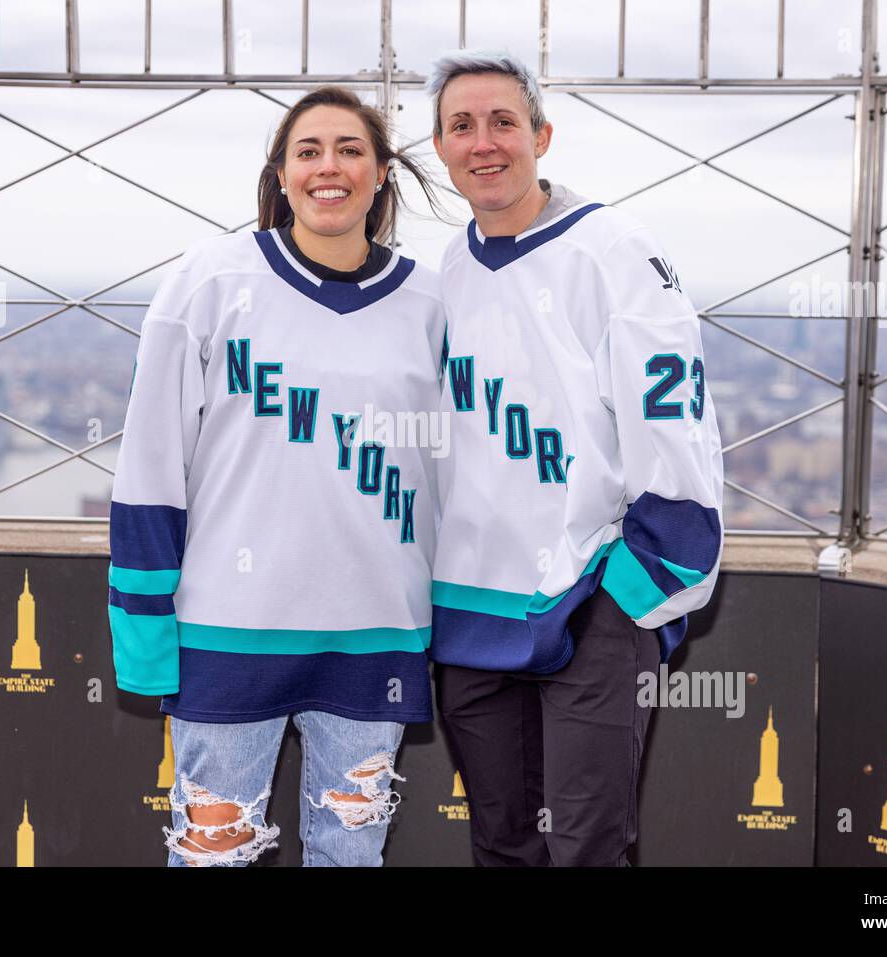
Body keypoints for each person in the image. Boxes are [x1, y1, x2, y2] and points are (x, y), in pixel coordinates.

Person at [107, 86, 447, 866]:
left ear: (382, 172)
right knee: (210, 856)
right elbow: (151, 463)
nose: (330, 166)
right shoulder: (208, 281)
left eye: (351, 149)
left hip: (375, 636)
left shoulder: (431, 301)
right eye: (309, 150)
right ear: (282, 173)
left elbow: (456, 476)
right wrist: (144, 626)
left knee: (349, 857)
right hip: (228, 632)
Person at [424, 50, 725, 866]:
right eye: (461, 126)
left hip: (589, 599)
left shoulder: (615, 250)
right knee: (503, 844)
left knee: (589, 847)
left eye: (503, 122)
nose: (484, 143)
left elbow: (676, 424)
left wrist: (631, 595)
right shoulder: (448, 269)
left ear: (541, 136)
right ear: (440, 147)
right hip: (473, 612)